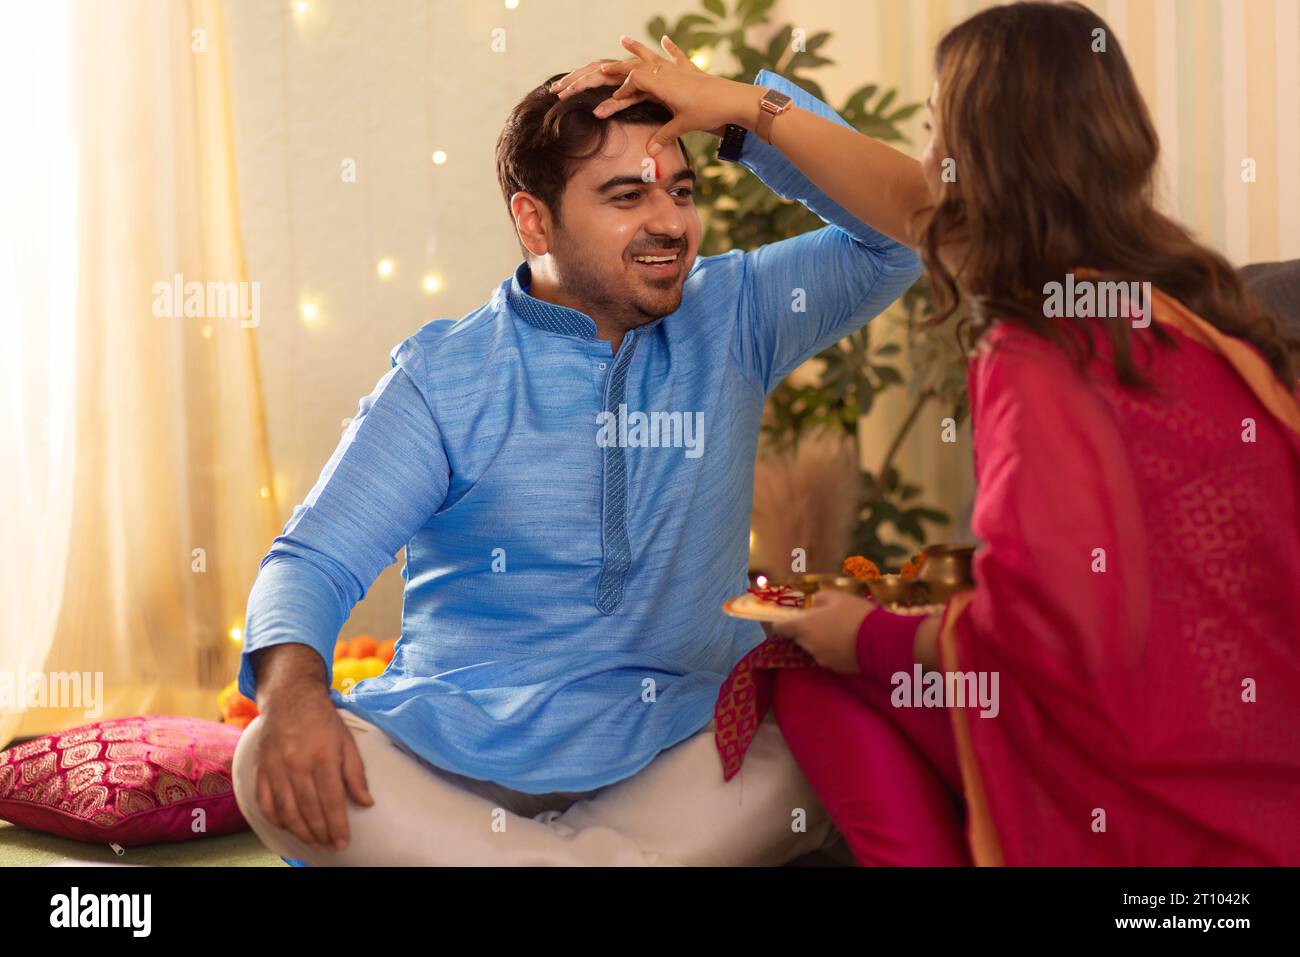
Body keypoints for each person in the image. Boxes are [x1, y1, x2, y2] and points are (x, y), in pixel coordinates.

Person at [231, 41, 930, 865]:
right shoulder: (445, 376)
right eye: (626, 195)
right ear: (535, 220)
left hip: (683, 745)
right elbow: (313, 559)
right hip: (460, 754)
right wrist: (294, 698)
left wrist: (741, 106)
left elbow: (906, 232)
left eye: (680, 189)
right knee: (261, 759)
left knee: (822, 733)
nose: (669, 221)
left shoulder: (737, 313)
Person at [671, 1, 1298, 866]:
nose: (923, 161)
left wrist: (867, 634)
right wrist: (745, 105)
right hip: (1266, 769)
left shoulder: (1041, 353)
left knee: (801, 672)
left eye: (935, 132)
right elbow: (917, 207)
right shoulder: (1193, 306)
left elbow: (1043, 640)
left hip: (1152, 795)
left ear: (980, 167)